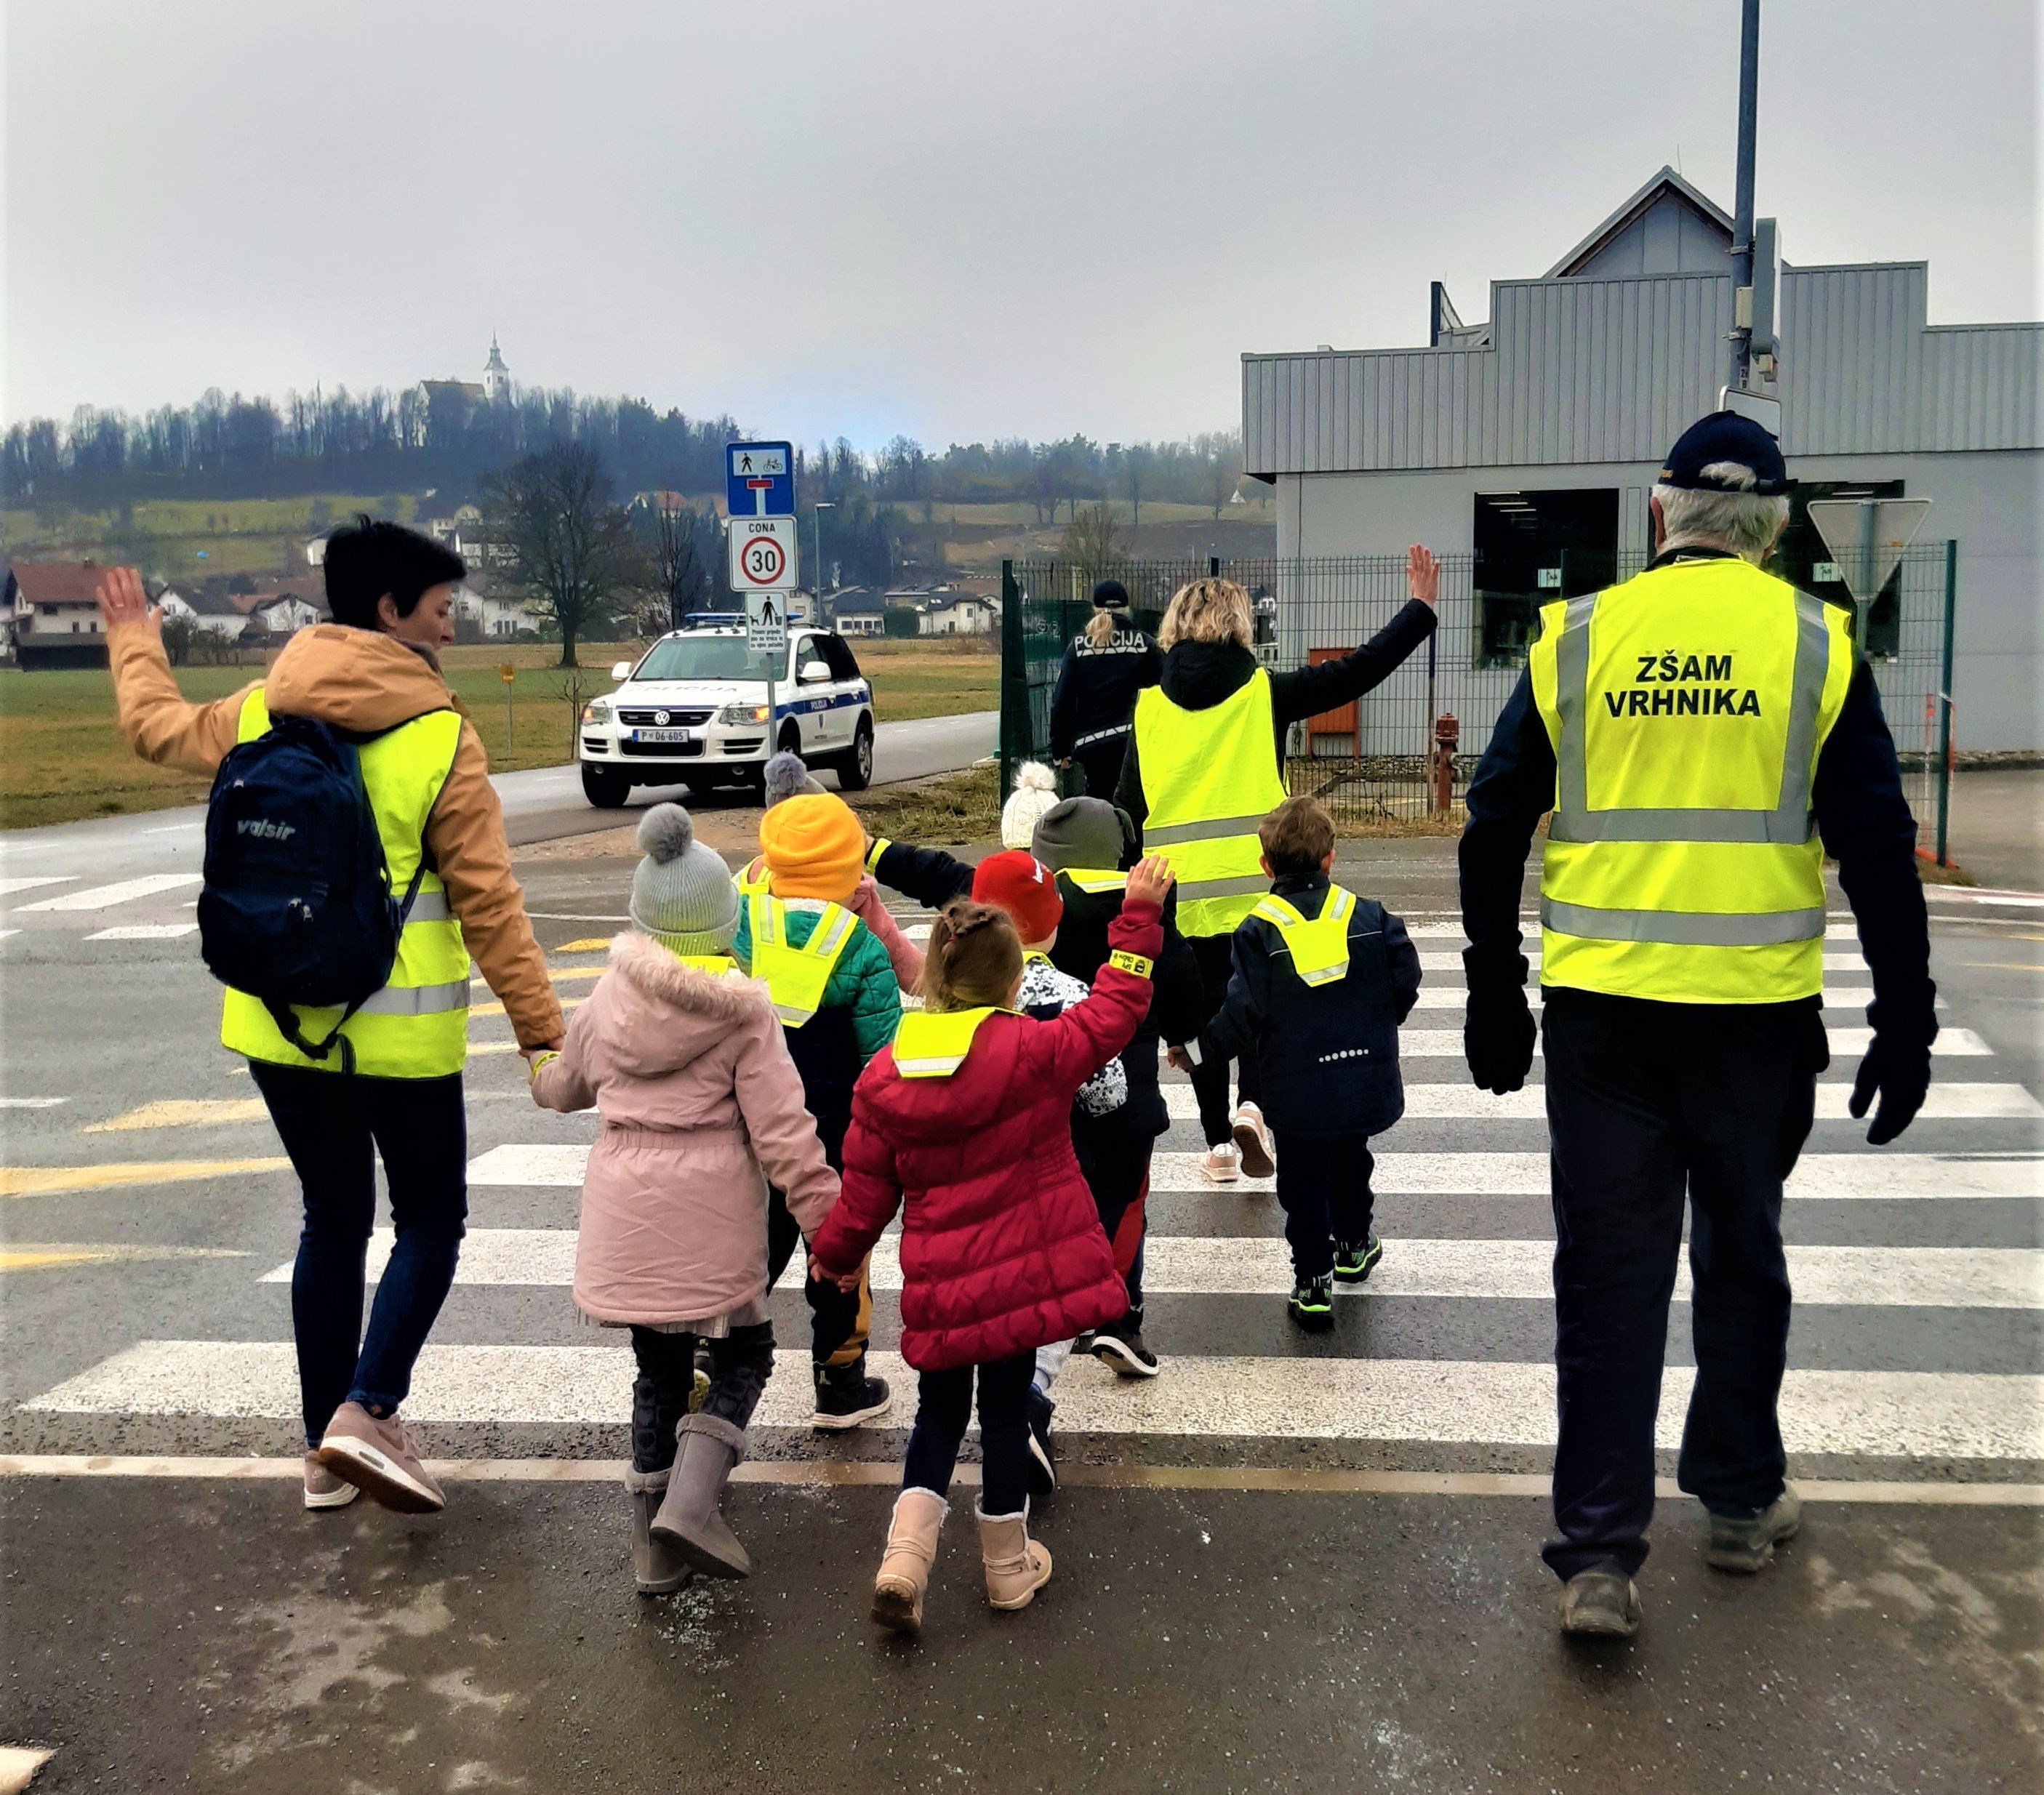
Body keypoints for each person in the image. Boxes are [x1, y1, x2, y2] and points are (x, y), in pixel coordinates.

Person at [1457, 410, 1937, 1639]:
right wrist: (1905, 1010)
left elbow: (1494, 817)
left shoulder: (1577, 637)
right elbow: (1880, 844)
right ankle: (1734, 1497)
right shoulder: (1818, 645)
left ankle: (1600, 1557)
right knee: (1741, 1250)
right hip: (1751, 1026)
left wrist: (1495, 981)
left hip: (1602, 1021)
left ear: (1660, 512)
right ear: (1775, 530)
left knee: (1607, 1280)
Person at [96, 521, 564, 1514]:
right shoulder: (442, 735)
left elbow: (153, 727)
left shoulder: (263, 706)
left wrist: (135, 636)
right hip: (401, 1040)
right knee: (431, 1222)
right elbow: (490, 907)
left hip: (277, 1025)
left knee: (331, 1217)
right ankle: (368, 1407)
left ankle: (323, 1454)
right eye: (441, 610)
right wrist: (543, 1038)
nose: (451, 628)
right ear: (391, 611)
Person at [810, 861, 1172, 1637]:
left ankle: (904, 1564)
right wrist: (1138, 917)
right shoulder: (1033, 1054)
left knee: (937, 1418)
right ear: (1013, 986)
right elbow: (1116, 1011)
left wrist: (836, 1256)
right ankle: (1009, 1570)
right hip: (1018, 1289)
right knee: (1005, 1417)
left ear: (933, 981)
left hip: (942, 1290)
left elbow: (864, 1195)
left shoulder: (884, 1077)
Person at [530, 806, 839, 1589]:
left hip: (625, 1224)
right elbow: (783, 1134)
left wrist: (537, 1066)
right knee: (747, 1356)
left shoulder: (606, 1001)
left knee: (657, 1371)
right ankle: (694, 1503)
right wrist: (829, 1224)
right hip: (711, 1226)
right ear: (721, 926)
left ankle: (654, 1549)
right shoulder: (743, 1013)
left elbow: (563, 1089)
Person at [1118, 555, 1438, 1183]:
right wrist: (1418, 611)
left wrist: (1131, 896)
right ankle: (1254, 1106)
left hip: (1177, 896)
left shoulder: (1147, 708)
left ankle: (1217, 1146)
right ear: (1239, 626)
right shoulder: (1263, 694)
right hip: (1259, 888)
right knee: (1259, 1005)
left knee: (1201, 1020)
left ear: (1174, 628)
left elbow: (1128, 808)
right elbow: (1355, 672)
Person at [1172, 795, 1421, 1328]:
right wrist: (1379, 1023)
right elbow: (1404, 975)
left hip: (1296, 1089)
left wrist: (1193, 1053)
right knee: (1352, 1159)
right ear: (1330, 857)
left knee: (1303, 1182)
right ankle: (1354, 1245)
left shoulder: (1258, 930)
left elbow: (1239, 1015)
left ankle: (1312, 1281)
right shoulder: (1369, 915)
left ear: (1265, 866)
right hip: (1360, 1077)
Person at [731, 787, 902, 1429]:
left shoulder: (745, 925)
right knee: (838, 1248)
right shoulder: (858, 946)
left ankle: (708, 1348)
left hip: (755, 1122)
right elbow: (881, 1054)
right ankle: (839, 1378)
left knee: (753, 1240)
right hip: (835, 1127)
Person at [1048, 578, 1162, 798]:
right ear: (1127, 609)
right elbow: (1164, 690)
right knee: (1134, 804)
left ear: (1095, 609)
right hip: (1135, 743)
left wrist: (1060, 750)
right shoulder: (1146, 644)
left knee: (1101, 806)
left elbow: (1062, 701)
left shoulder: (1079, 647)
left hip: (1092, 747)